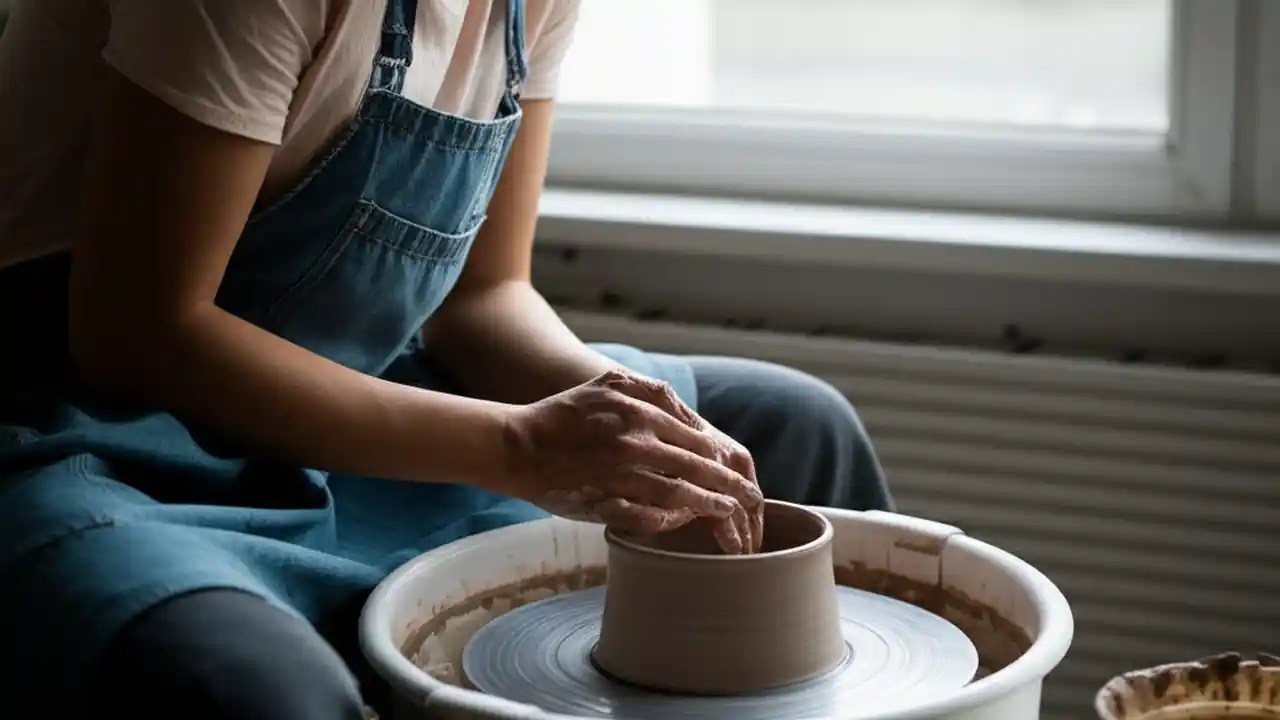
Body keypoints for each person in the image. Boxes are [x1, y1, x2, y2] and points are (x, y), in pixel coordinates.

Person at [0, 0, 893, 716]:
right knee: (246, 683)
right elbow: (140, 331)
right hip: (98, 443)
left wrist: (639, 421)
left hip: (359, 404)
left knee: (790, 429)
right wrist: (523, 448)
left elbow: (484, 299)